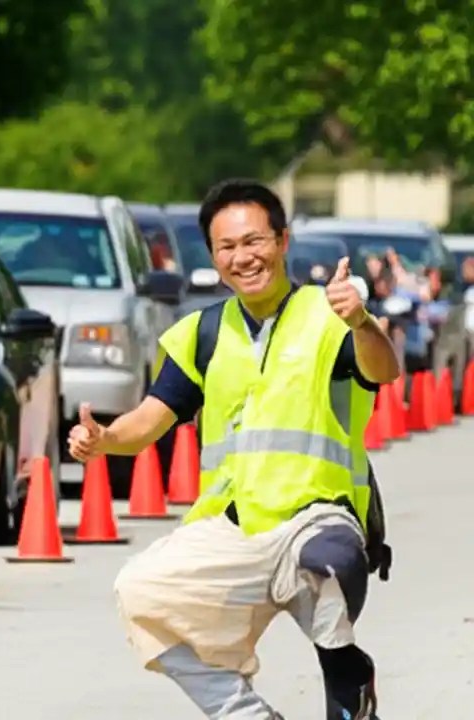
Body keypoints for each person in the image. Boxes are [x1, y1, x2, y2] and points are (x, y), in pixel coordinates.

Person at [70, 179, 401, 720]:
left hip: (317, 517)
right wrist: (105, 439)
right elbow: (151, 419)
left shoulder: (329, 316)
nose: (242, 258)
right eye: (227, 247)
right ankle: (244, 714)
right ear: (213, 256)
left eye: (255, 242)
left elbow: (382, 370)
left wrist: (361, 322)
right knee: (140, 591)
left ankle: (346, 675)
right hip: (233, 524)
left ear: (283, 241)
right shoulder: (201, 332)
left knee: (331, 564)